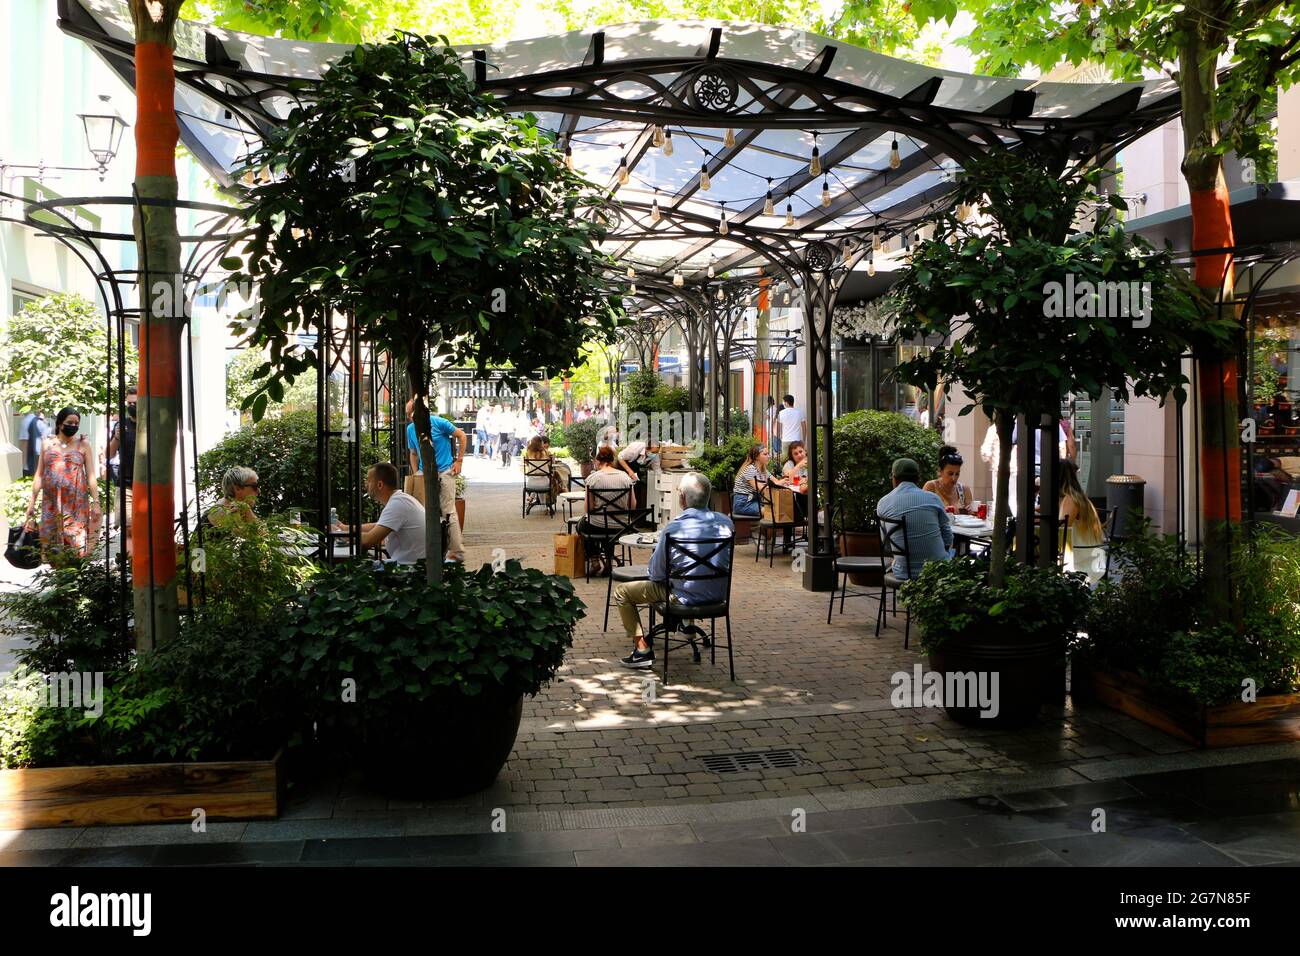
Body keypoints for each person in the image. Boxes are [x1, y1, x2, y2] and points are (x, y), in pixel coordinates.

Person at [612, 472, 734, 670]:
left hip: (682, 598)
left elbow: (656, 574)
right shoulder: (726, 523)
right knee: (684, 578)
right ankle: (687, 627)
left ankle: (642, 651)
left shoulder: (674, 528)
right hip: (718, 596)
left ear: (683, 498)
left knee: (622, 592)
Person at [24, 407, 101, 564]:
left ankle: (74, 581)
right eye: (69, 422)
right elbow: (39, 475)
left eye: (76, 423)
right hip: (51, 503)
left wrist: (96, 502)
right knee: (51, 547)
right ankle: (59, 582)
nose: (73, 425)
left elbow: (91, 475)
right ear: (60, 423)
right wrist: (32, 502)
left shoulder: (83, 444)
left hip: (76, 505)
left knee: (75, 545)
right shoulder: (47, 444)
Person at [875, 458, 953, 579]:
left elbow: (886, 545)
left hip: (904, 573)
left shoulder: (883, 503)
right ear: (918, 478)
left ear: (894, 478)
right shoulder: (933, 499)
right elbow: (948, 537)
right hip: (937, 572)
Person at [335, 462, 426, 564]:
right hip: (413, 565)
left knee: (350, 571)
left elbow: (369, 540)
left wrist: (343, 535)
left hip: (410, 571)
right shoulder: (400, 500)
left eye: (368, 480)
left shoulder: (398, 504)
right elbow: (377, 525)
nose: (365, 484)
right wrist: (346, 528)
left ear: (380, 484)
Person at [410, 402, 467, 562]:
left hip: (444, 471)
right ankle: (429, 548)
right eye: (408, 414)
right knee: (422, 510)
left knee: (448, 510)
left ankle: (456, 552)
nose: (410, 417)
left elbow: (462, 435)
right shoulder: (410, 429)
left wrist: (459, 461)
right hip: (425, 473)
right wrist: (417, 473)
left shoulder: (438, 422)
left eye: (411, 413)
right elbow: (413, 453)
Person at [577, 445, 636, 576]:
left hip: (598, 525)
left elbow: (588, 509)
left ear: (598, 461)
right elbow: (633, 505)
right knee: (609, 526)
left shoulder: (593, 479)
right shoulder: (626, 477)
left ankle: (595, 561)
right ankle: (609, 562)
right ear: (612, 460)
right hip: (621, 526)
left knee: (582, 526)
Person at [1060, 460, 1106, 585]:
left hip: (1084, 560)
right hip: (1090, 553)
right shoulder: (1074, 496)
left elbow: (1063, 526)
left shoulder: (1071, 499)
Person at [732, 443, 787, 517]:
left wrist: (783, 482)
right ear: (757, 457)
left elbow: (776, 481)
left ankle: (759, 528)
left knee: (781, 509)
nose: (769, 456)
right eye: (765, 454)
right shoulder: (750, 469)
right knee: (774, 513)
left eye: (768, 454)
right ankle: (759, 528)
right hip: (743, 503)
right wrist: (779, 484)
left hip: (755, 500)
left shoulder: (763, 470)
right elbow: (761, 489)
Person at [923, 445, 974, 514]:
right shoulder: (931, 486)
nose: (954, 478)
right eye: (950, 474)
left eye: (957, 474)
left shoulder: (964, 489)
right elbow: (922, 511)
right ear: (940, 471)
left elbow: (972, 516)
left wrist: (971, 511)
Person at [776, 394, 807, 464]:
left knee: (785, 462)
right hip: (797, 440)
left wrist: (780, 438)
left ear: (786, 403)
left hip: (785, 440)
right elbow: (804, 428)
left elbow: (779, 428)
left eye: (783, 402)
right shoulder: (800, 412)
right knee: (798, 461)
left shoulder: (781, 413)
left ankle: (787, 474)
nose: (783, 404)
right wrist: (803, 441)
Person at [19, 410, 49, 479]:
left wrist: (23, 466)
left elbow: (24, 444)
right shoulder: (38, 422)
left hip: (33, 465)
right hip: (38, 463)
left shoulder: (27, 421)